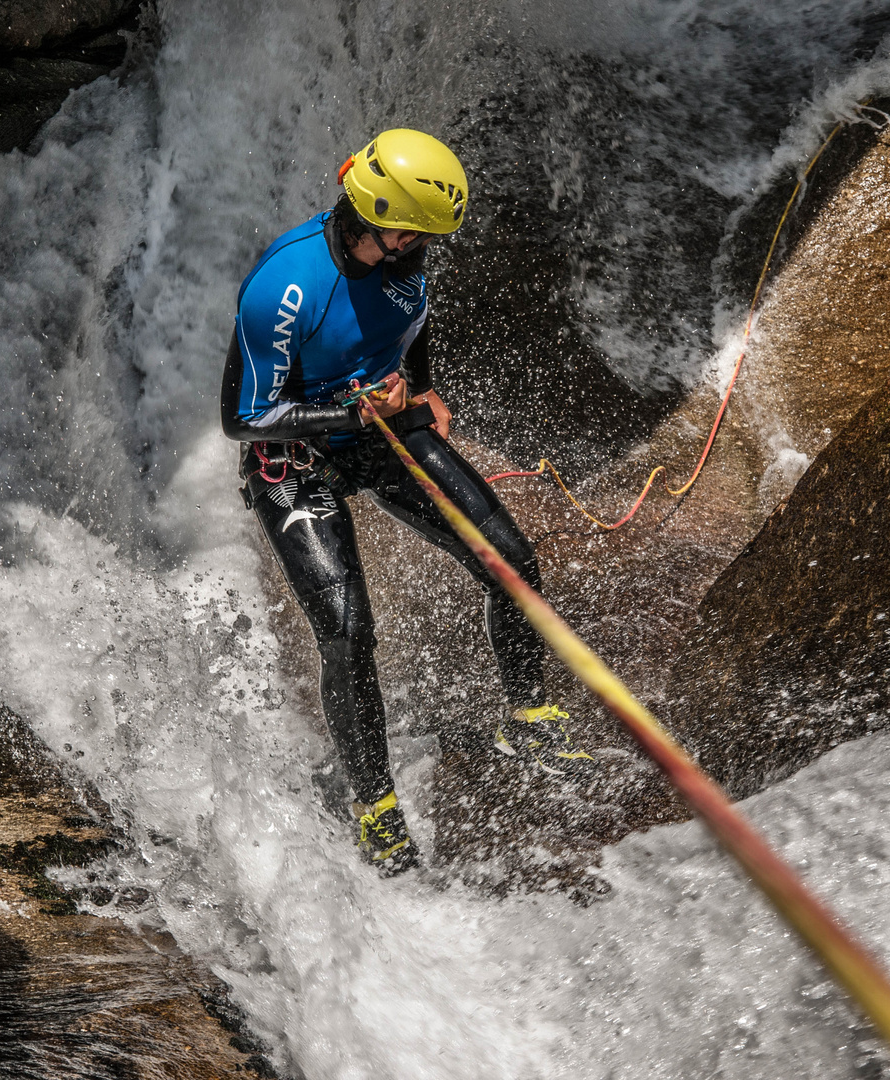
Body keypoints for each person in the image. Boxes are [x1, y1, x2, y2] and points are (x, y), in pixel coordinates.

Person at [220, 128, 593, 876]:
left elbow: (407, 323)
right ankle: (377, 807)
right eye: (415, 234)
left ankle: (528, 717)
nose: (425, 248)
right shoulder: (282, 287)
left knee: (512, 561)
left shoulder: (402, 262)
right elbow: (243, 417)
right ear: (375, 219)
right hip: (292, 457)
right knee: (348, 632)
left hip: (379, 428)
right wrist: (352, 414)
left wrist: (420, 387)